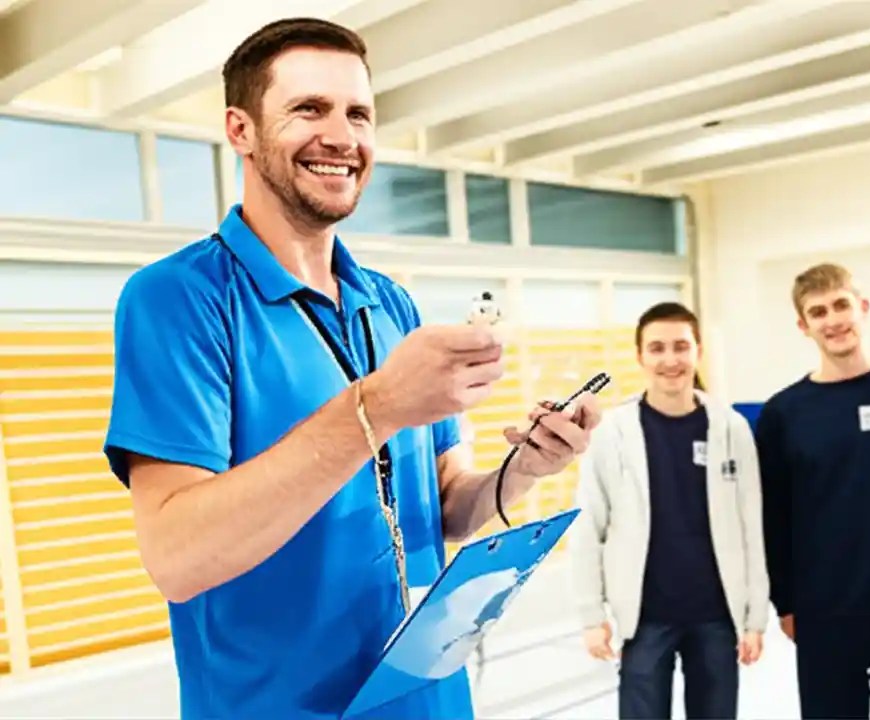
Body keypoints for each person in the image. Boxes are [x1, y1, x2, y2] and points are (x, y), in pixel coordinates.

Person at [102, 18, 600, 719]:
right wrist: (377, 407)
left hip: (429, 699)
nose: (342, 137)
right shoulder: (179, 299)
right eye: (309, 109)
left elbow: (446, 503)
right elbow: (177, 558)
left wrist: (524, 471)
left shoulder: (389, 303)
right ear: (240, 130)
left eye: (358, 113)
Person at [754, 263, 870, 719]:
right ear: (803, 326)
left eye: (841, 304)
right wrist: (785, 602)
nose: (833, 319)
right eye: (818, 312)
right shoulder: (785, 414)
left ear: (863, 307)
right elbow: (774, 516)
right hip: (825, 614)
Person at [570, 301, 769, 719]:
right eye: (657, 348)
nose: (670, 359)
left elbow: (752, 525)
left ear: (698, 351)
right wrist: (592, 614)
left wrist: (754, 619)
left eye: (681, 346)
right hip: (643, 618)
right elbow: (589, 527)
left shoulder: (730, 428)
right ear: (640, 356)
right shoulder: (613, 432)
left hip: (716, 616)